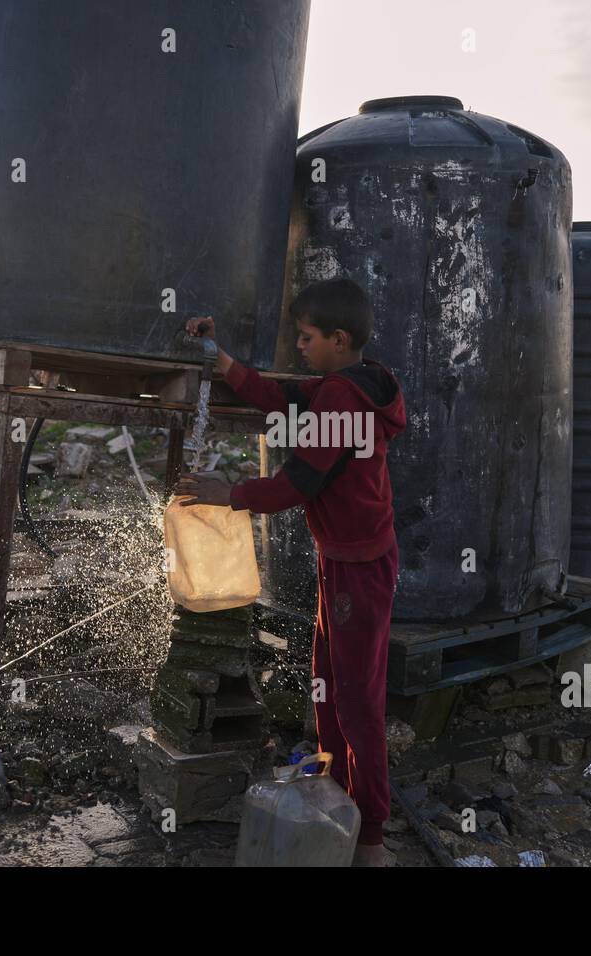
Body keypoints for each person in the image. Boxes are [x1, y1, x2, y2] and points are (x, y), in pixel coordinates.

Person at [179, 277, 405, 866]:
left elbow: (297, 483)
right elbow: (282, 402)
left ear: (338, 338)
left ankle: (372, 839)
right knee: (329, 690)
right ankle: (336, 801)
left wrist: (226, 492)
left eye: (306, 338)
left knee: (357, 703)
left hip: (360, 570)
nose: (298, 346)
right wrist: (221, 358)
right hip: (347, 562)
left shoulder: (342, 398)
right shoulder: (342, 385)